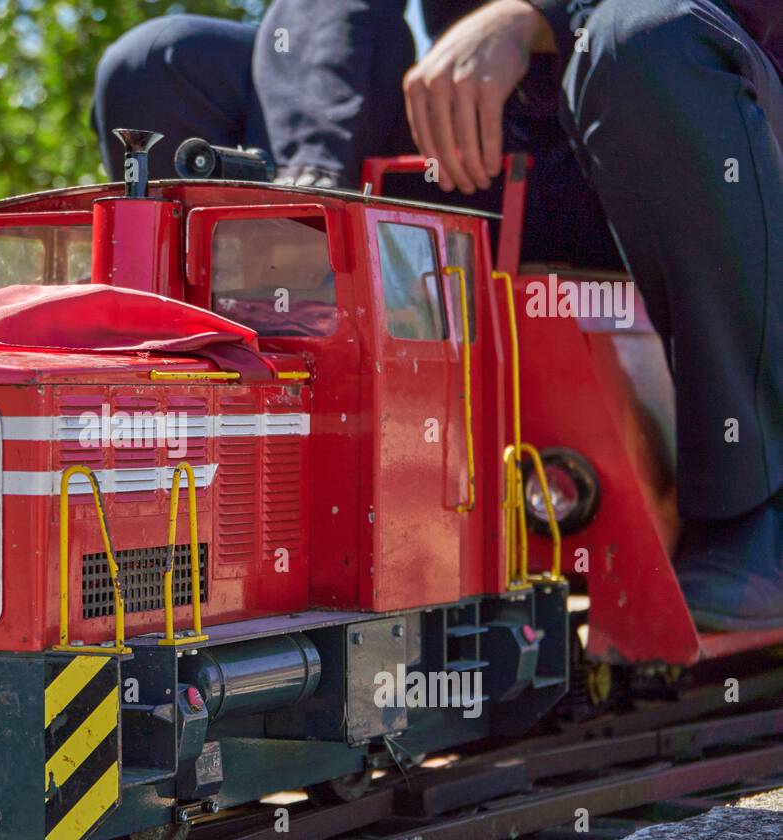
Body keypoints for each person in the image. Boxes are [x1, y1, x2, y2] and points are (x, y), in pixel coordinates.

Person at [92, 0, 783, 631]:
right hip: (474, 142)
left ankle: (753, 511)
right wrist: (312, 178)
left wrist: (535, 18)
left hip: (675, 124)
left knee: (645, 38)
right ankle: (244, 495)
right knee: (160, 67)